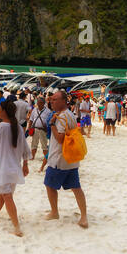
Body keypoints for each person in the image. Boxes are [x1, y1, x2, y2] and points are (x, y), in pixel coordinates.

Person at [0, 101, 32, 236]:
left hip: (3, 168)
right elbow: (25, 148)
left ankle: (16, 227)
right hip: (14, 168)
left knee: (6, 195)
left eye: (0, 109)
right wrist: (25, 164)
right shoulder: (18, 127)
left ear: (4, 112)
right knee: (4, 193)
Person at [43, 90, 88, 228]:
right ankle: (84, 216)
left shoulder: (61, 117)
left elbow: (61, 138)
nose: (52, 101)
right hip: (71, 159)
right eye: (51, 99)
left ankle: (55, 212)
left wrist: (51, 125)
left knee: (49, 185)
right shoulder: (70, 114)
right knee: (76, 187)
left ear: (64, 101)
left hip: (59, 159)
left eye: (55, 99)